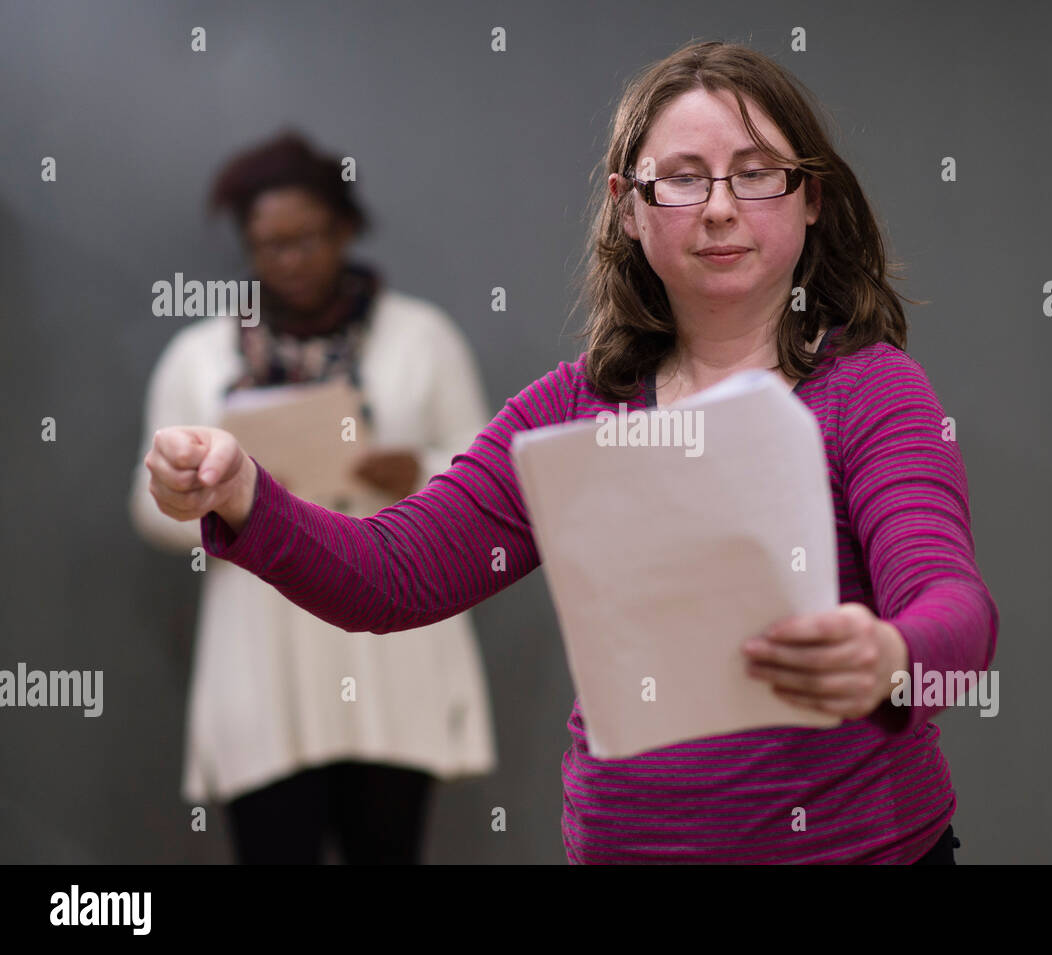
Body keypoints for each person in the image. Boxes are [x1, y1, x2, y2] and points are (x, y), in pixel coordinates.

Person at [141, 41, 999, 864]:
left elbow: (953, 604)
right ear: (629, 206)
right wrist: (246, 490)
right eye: (684, 179)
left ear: (810, 197)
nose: (721, 207)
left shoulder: (871, 390)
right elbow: (391, 574)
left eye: (758, 172)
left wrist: (893, 659)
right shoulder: (573, 406)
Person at [128, 131, 497, 864]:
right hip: (264, 664)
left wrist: (419, 473)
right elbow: (149, 509)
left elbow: (492, 484)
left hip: (391, 653)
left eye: (308, 238)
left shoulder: (421, 339)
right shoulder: (201, 359)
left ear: (346, 230)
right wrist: (228, 496)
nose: (291, 260)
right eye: (270, 244)